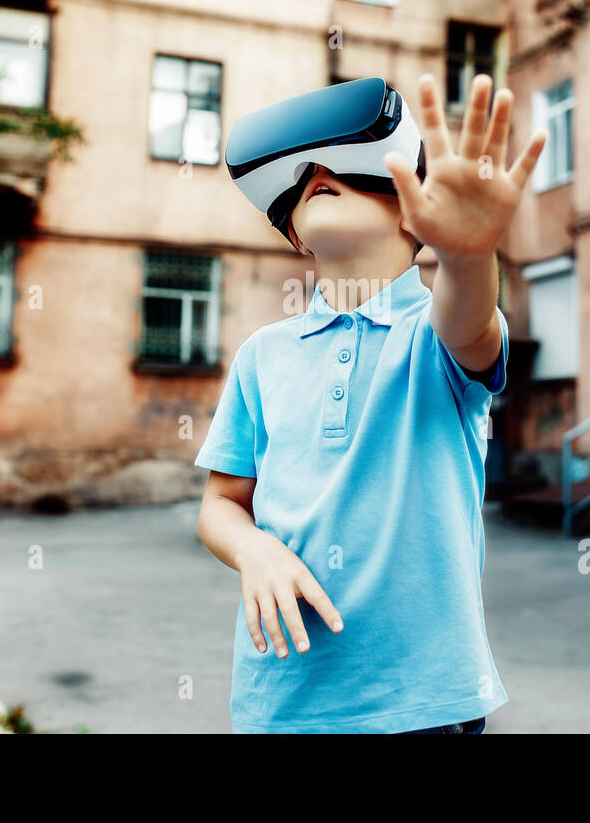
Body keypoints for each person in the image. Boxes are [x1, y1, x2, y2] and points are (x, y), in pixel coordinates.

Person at [195, 73, 547, 733]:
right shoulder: (263, 355)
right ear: (295, 234)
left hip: (422, 707)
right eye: (302, 182)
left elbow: (472, 324)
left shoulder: (436, 337)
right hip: (281, 704)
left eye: (349, 174)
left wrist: (469, 256)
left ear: (412, 214)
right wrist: (254, 551)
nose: (318, 173)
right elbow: (221, 504)